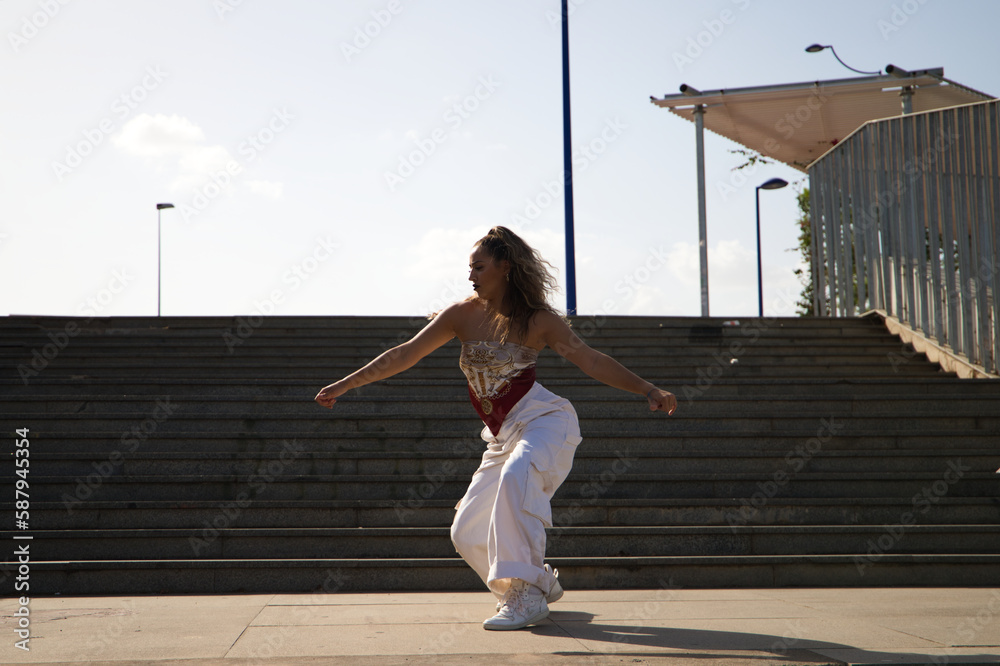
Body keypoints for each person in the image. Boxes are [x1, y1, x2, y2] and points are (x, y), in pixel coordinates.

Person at [315, 226, 676, 631]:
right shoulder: (460, 315)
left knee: (516, 476)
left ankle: (526, 599)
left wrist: (648, 388)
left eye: (479, 267)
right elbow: (405, 354)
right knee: (466, 530)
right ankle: (534, 584)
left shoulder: (538, 320)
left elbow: (591, 360)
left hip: (544, 422)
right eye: (470, 268)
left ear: (505, 267)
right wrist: (345, 384)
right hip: (503, 436)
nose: (470, 275)